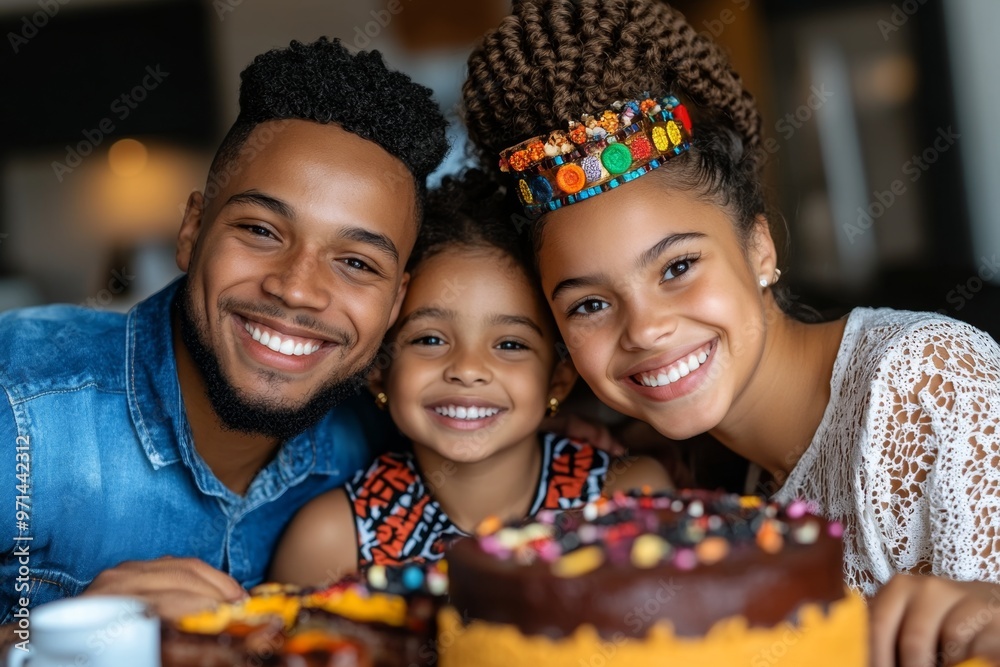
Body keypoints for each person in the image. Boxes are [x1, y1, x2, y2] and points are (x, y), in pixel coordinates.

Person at [460, 2, 1000, 666]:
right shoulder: (702, 489)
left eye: (678, 267)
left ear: (760, 246)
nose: (648, 327)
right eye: (591, 304)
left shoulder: (929, 380)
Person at [0, 36, 450, 640]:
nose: (296, 289)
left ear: (397, 302)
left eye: (357, 264)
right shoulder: (20, 405)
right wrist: (51, 638)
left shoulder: (377, 437)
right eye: (262, 230)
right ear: (191, 230)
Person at [270, 171, 671, 586]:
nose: (467, 369)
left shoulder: (624, 500)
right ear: (378, 370)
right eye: (429, 339)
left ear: (558, 380)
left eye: (510, 345)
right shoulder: (333, 541)